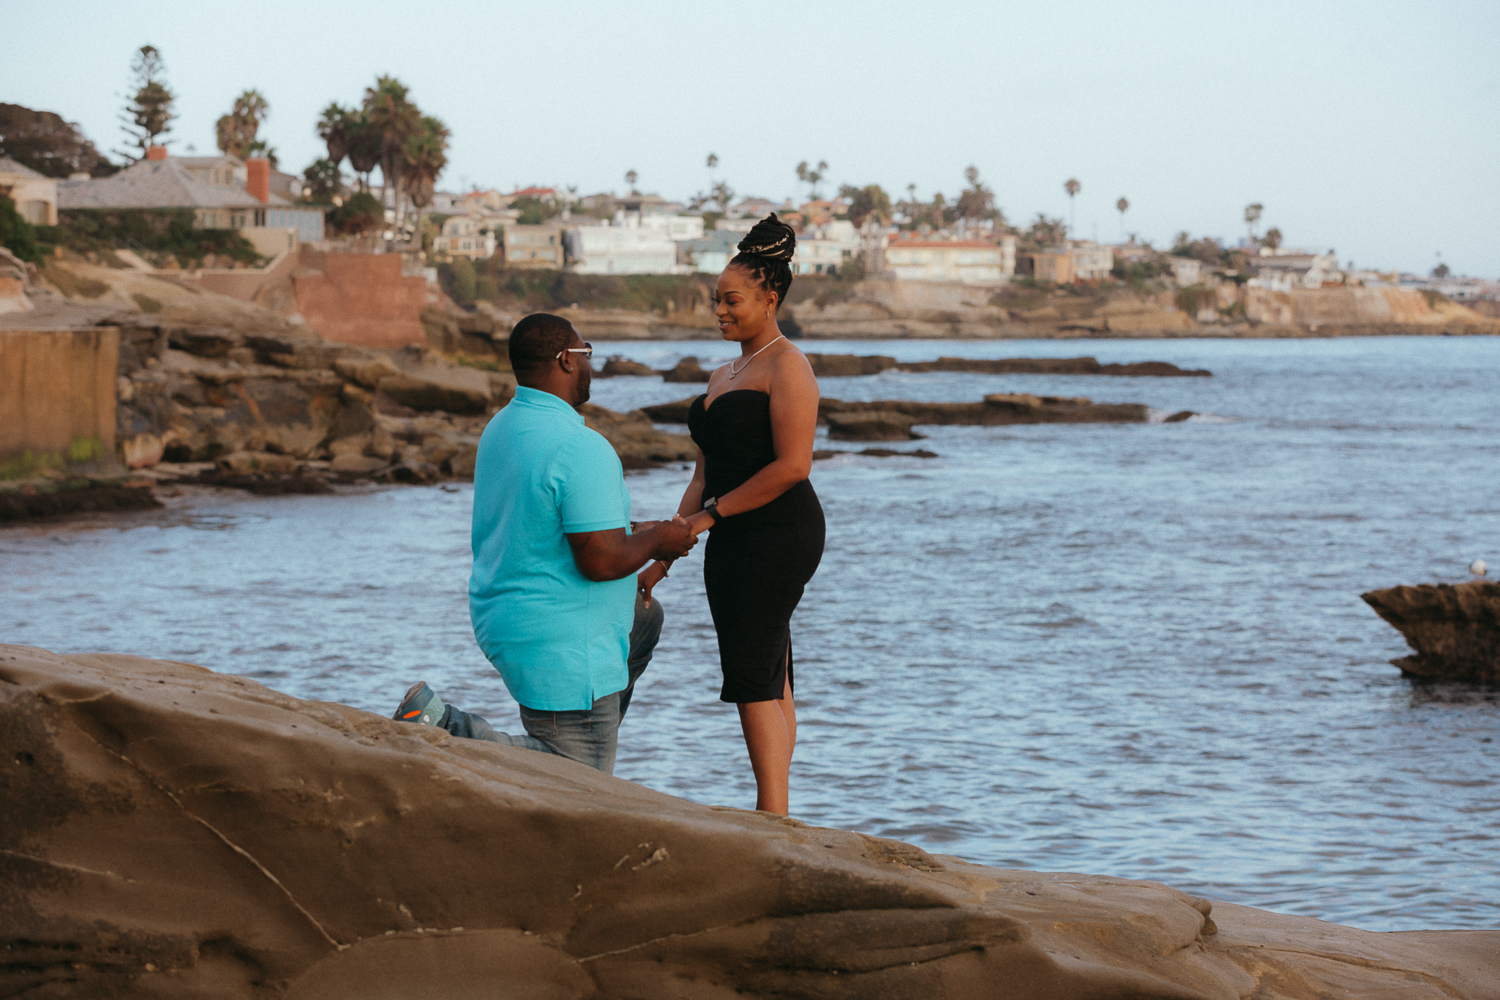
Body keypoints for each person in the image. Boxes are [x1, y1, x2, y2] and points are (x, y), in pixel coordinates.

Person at [394, 313, 696, 775]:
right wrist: (659, 540)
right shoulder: (580, 446)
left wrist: (635, 528)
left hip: (504, 614)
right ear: (565, 361)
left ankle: (594, 726)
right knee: (576, 777)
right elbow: (600, 560)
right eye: (586, 353)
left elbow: (545, 518)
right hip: (558, 639)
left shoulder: (503, 427)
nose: (591, 363)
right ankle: (443, 725)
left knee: (644, 617)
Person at [654, 215, 825, 815]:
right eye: (715, 301)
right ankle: (779, 810)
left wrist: (708, 520)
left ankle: (772, 816)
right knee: (768, 664)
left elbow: (793, 466)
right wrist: (664, 550)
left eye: (732, 301)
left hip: (779, 531)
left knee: (752, 666)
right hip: (730, 531)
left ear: (769, 299)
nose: (719, 312)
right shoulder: (721, 374)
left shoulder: (789, 366)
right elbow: (703, 473)